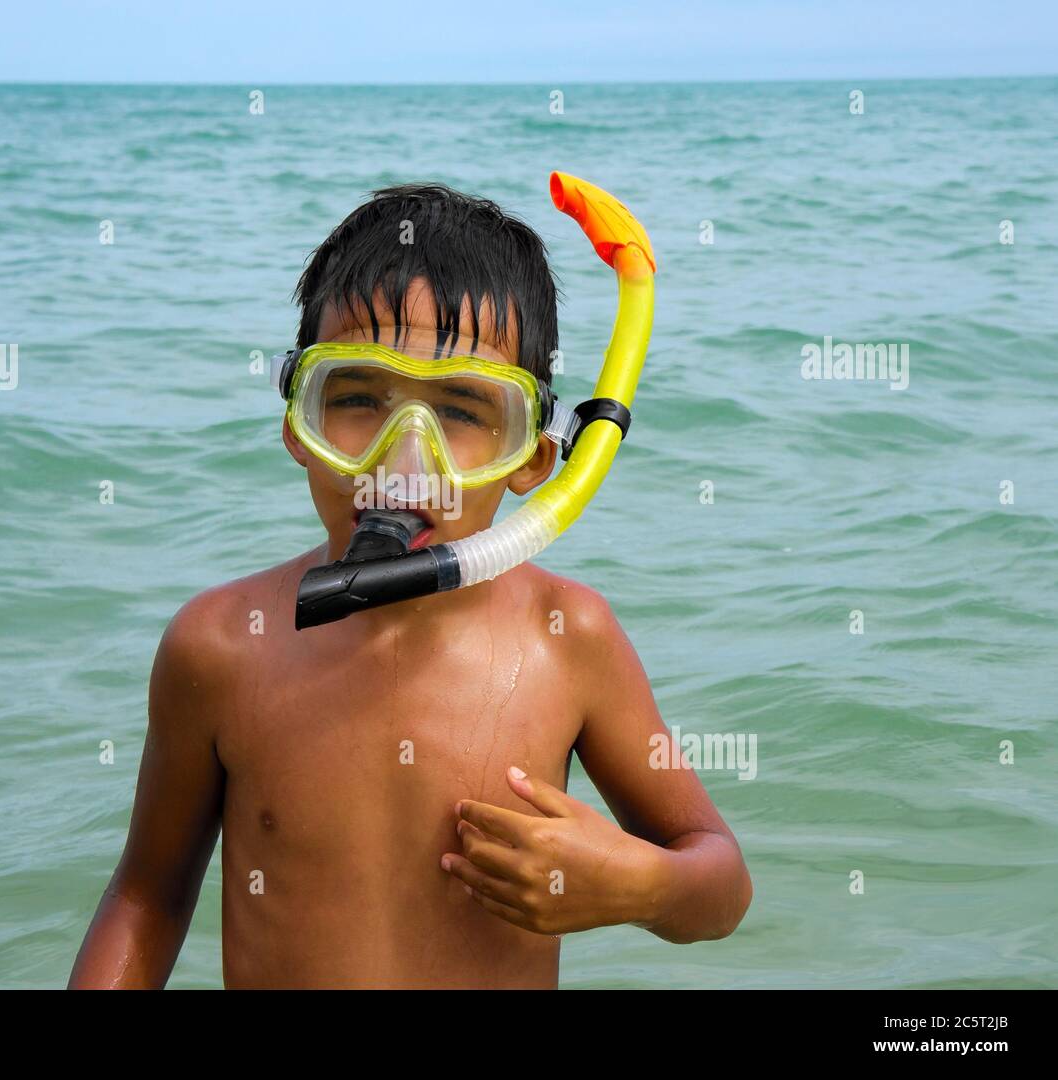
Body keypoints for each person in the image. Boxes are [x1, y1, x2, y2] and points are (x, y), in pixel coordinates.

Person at [69, 178, 752, 989]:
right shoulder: (220, 646)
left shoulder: (569, 641)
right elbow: (146, 898)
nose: (403, 460)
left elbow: (720, 886)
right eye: (355, 398)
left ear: (534, 456)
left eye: (464, 413)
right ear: (298, 423)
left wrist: (636, 885)